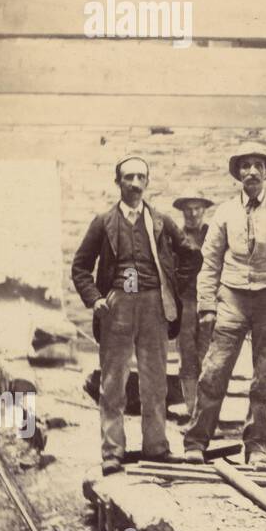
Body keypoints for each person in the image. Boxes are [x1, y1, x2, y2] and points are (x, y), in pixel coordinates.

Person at [183, 143, 266, 466]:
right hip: (233, 299)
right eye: (246, 166)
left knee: (265, 377)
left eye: (258, 166)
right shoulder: (225, 213)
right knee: (214, 369)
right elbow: (209, 262)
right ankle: (196, 441)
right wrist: (207, 305)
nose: (252, 171)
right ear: (238, 173)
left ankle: (256, 447)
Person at [72, 155, 184, 475]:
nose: (135, 183)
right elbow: (80, 267)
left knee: (155, 382)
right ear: (118, 182)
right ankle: (113, 452)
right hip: (116, 307)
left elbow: (190, 254)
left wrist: (175, 287)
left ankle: (156, 448)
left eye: (141, 177)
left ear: (147, 182)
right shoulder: (103, 222)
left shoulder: (161, 221)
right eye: (129, 177)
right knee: (112, 383)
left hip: (153, 307)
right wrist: (95, 298)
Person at [171, 194, 213, 416]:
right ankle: (191, 411)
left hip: (210, 303)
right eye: (188, 209)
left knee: (208, 356)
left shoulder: (214, 234)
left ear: (204, 210)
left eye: (198, 208)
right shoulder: (175, 237)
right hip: (185, 303)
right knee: (187, 356)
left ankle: (206, 414)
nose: (193, 213)